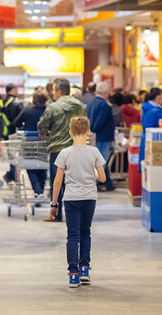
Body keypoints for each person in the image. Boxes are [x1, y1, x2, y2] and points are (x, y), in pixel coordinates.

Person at [49, 116, 106, 288]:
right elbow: (102, 178)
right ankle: (85, 270)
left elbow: (58, 181)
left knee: (72, 235)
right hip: (89, 198)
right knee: (85, 232)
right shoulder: (94, 152)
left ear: (70, 133)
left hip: (71, 199)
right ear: (88, 132)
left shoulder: (64, 153)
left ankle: (73, 275)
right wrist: (93, 174)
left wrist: (54, 204)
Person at [38, 78, 86, 223]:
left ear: (59, 91)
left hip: (57, 150)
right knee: (76, 182)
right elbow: (84, 124)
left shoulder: (53, 107)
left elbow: (42, 125)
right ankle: (76, 215)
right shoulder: (79, 106)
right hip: (76, 148)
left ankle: (56, 215)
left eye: (53, 90)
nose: (52, 93)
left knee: (57, 182)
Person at [13, 91, 49, 196]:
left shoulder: (27, 110)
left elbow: (16, 122)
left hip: (29, 142)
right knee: (42, 165)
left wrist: (25, 127)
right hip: (43, 142)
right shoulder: (48, 111)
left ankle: (37, 190)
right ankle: (40, 190)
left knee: (30, 165)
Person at [86, 82, 115, 191]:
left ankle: (108, 183)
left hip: (95, 136)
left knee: (101, 160)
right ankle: (95, 183)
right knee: (102, 161)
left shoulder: (91, 102)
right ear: (106, 92)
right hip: (103, 136)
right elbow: (101, 121)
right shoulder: (104, 105)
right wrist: (94, 129)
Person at [0, 84, 23, 183]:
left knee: (11, 154)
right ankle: (10, 175)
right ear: (13, 90)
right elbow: (21, 118)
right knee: (15, 154)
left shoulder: (1, 102)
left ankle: (10, 175)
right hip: (15, 132)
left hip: (5, 132)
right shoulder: (17, 102)